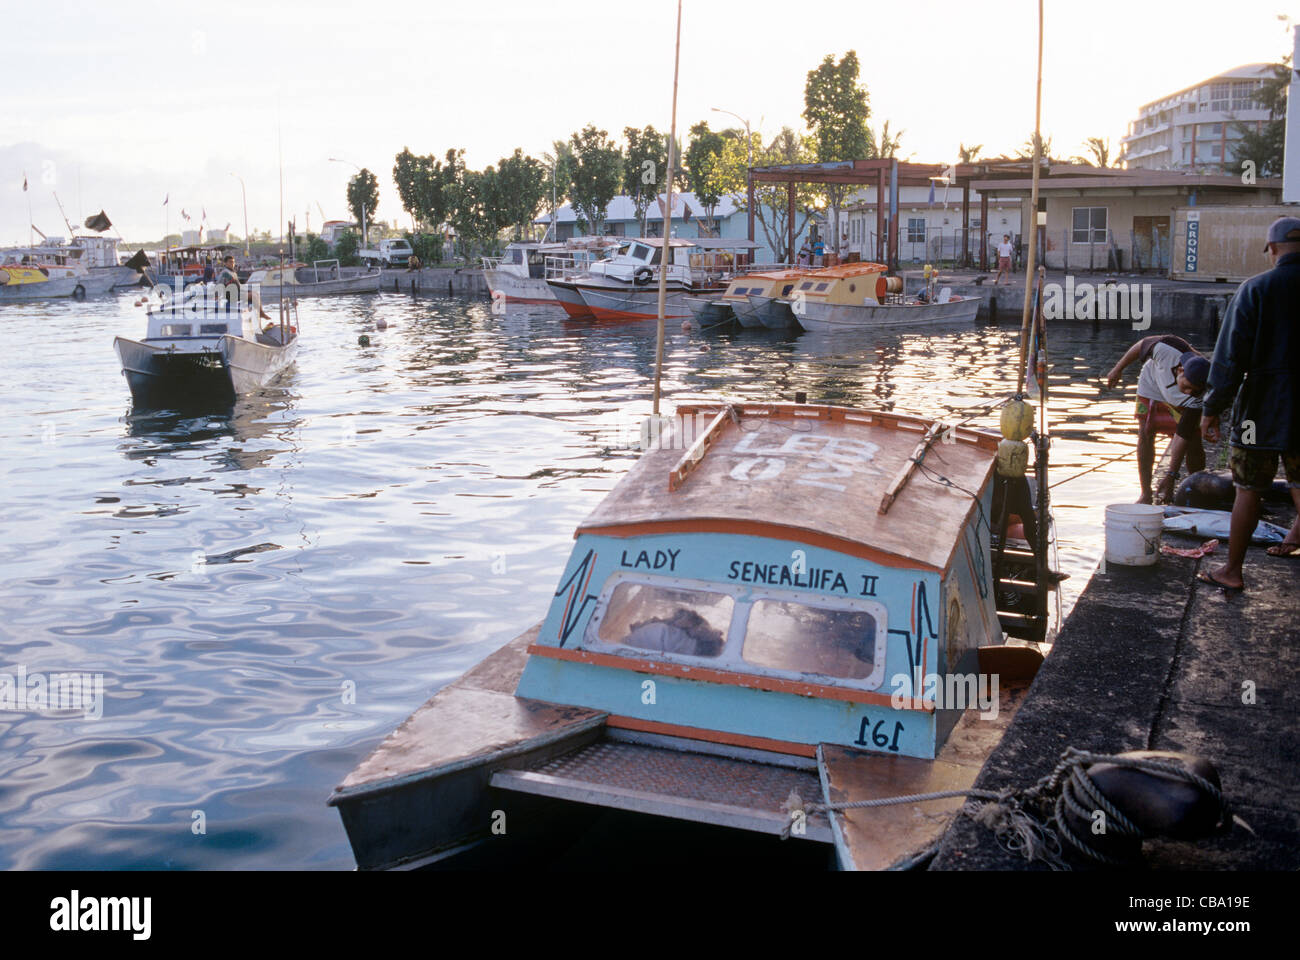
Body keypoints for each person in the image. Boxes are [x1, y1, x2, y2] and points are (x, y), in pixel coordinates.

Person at [1197, 216, 1300, 590]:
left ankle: (1232, 571)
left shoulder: (1256, 288)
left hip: (1261, 408)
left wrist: (1212, 408)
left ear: (1271, 249)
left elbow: (1229, 358)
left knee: (1249, 488)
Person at [1106, 335, 1210, 504]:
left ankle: (1197, 491)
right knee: (1145, 434)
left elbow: (1183, 434)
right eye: (1188, 386)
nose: (1190, 391)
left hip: (1181, 403)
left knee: (1193, 441)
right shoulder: (1167, 349)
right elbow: (1140, 346)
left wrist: (1171, 475)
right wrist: (1118, 369)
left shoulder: (1197, 394)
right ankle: (1145, 493)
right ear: (1181, 370)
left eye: (1195, 390)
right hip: (1151, 385)